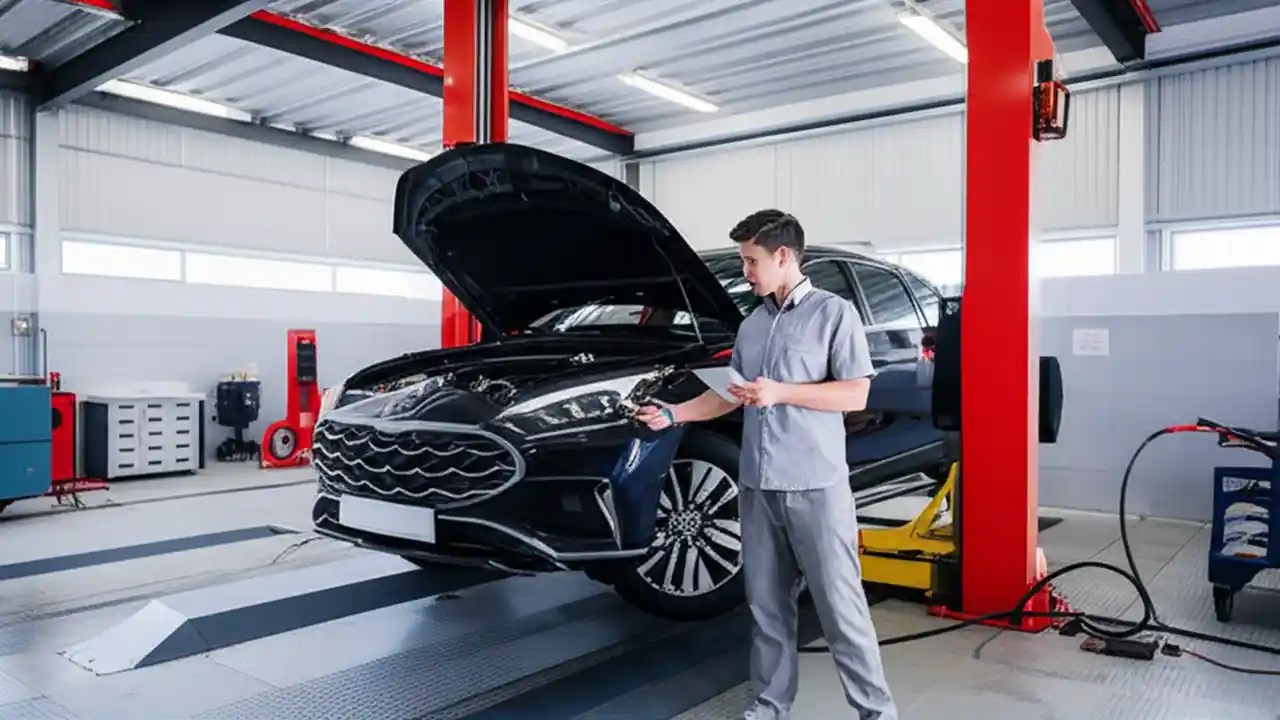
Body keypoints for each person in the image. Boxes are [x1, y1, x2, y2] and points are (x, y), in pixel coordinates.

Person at [634, 210, 897, 720]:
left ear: (783, 256)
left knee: (841, 611)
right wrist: (674, 414)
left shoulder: (833, 313)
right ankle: (769, 706)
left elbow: (855, 392)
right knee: (767, 610)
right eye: (743, 261)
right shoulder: (753, 323)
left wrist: (782, 392)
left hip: (815, 487)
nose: (746, 271)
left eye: (751, 261)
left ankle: (876, 713)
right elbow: (731, 396)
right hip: (758, 485)